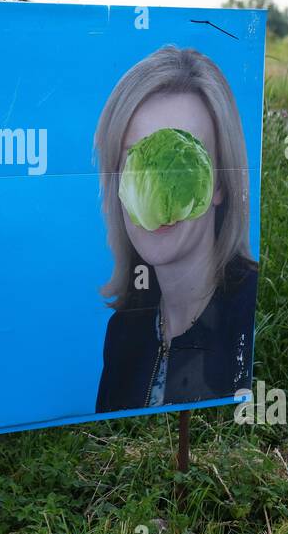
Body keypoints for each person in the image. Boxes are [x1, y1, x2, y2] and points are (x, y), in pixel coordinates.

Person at [94, 46, 258, 413]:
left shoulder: (254, 314)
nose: (160, 191)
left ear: (220, 184)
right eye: (137, 159)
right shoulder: (124, 333)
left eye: (184, 160)